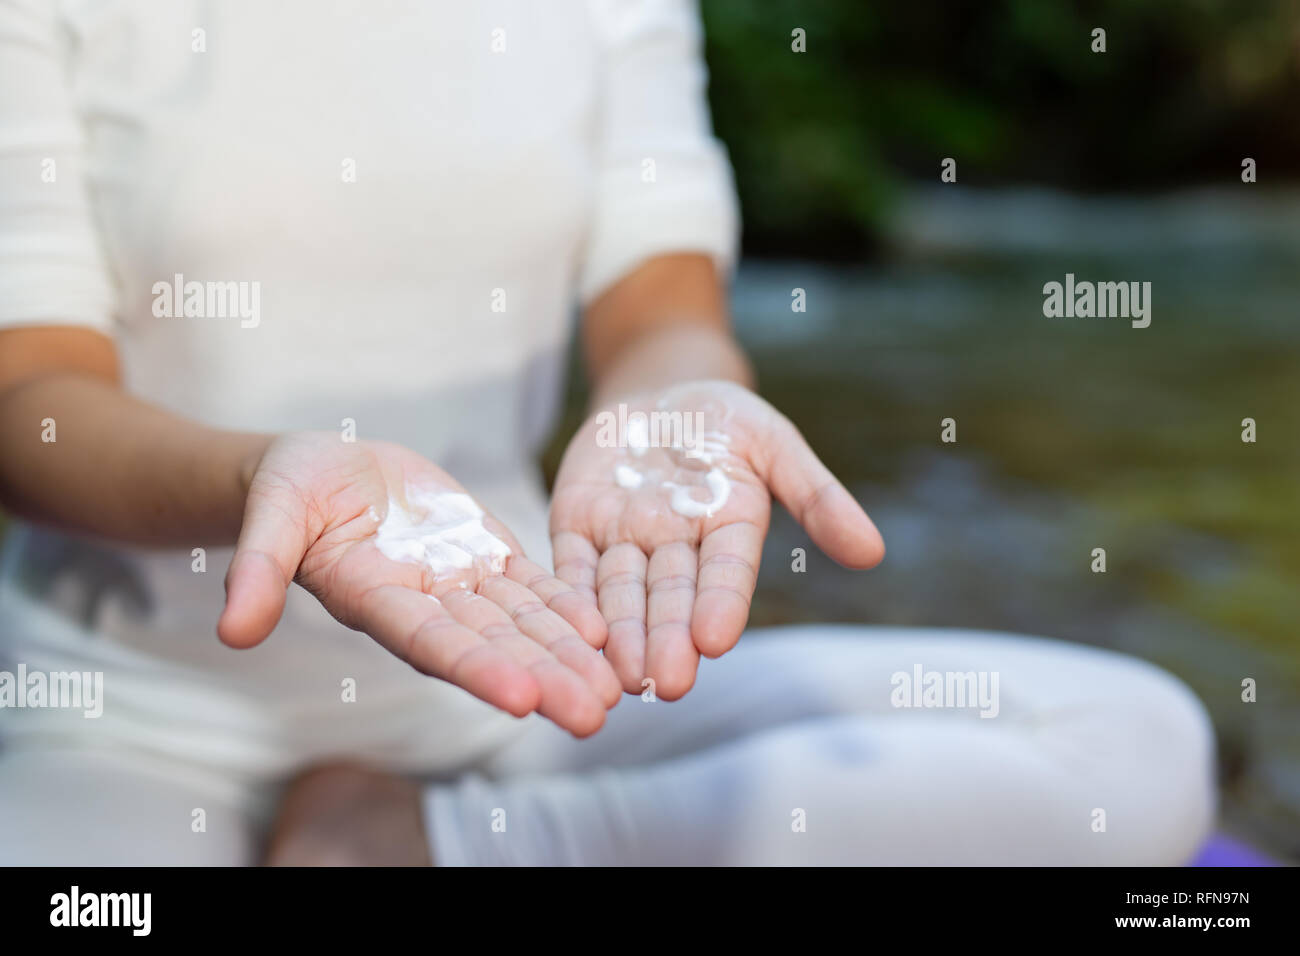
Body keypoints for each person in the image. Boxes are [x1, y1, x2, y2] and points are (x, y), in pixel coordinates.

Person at [0, 0, 1214, 865]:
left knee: (1138, 748)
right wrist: (259, 475)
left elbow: (662, 314)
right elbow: (29, 397)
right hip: (132, 725)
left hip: (536, 671)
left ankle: (431, 845)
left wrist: (677, 401)